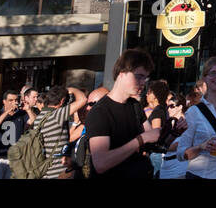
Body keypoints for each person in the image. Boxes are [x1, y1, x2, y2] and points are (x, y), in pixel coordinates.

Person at [86, 49, 158, 179]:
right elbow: (101, 163)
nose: (143, 83)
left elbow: (151, 138)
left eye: (145, 78)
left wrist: (171, 133)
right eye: (139, 76)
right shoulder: (100, 112)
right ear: (121, 73)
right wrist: (140, 140)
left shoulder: (135, 105)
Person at [34, 85, 88, 179]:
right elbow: (83, 99)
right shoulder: (57, 114)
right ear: (62, 101)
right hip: (57, 172)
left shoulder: (40, 117)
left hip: (45, 171)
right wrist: (72, 89)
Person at [0, 90, 29, 159]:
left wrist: (28, 110)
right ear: (4, 101)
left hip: (16, 156)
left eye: (16, 100)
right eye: (11, 100)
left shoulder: (21, 114)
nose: (14, 102)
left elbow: (34, 122)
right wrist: (7, 112)